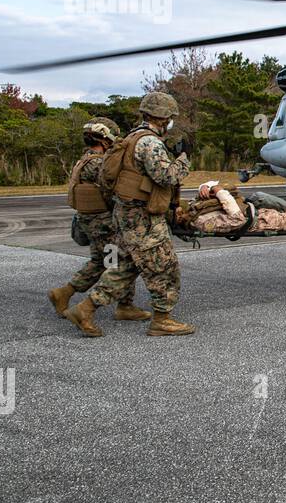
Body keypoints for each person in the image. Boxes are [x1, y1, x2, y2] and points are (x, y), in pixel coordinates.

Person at [64, 91, 194, 337]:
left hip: (124, 213)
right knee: (164, 266)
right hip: (142, 217)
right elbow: (167, 176)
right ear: (164, 117)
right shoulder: (150, 142)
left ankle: (85, 308)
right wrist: (184, 159)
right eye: (169, 118)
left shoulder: (131, 138)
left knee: (125, 266)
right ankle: (162, 319)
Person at [47, 117, 151, 324]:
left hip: (92, 222)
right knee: (120, 261)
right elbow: (116, 186)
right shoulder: (98, 163)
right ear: (105, 139)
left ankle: (64, 293)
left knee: (101, 261)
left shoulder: (85, 159)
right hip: (104, 224)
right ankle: (123, 306)